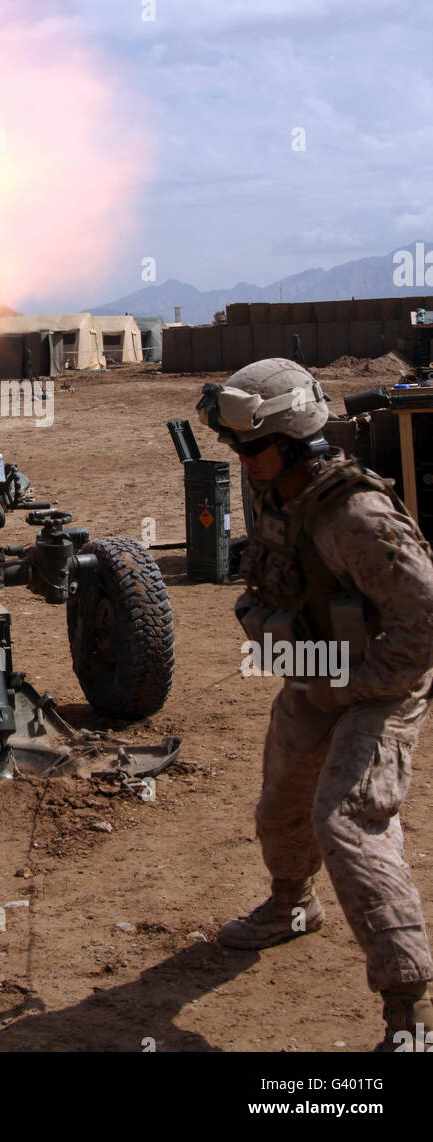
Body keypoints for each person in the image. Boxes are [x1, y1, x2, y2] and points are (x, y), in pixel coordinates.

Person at [196, 358, 433, 1052]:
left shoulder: (358, 515)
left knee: (346, 817)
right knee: (282, 804)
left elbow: (422, 630)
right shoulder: (267, 476)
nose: (241, 459)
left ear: (296, 440)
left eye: (252, 446)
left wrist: (350, 686)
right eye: (236, 447)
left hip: (386, 675)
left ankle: (409, 1005)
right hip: (317, 667)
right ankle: (291, 904)